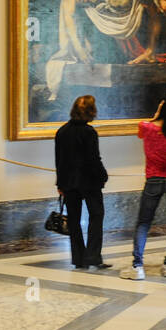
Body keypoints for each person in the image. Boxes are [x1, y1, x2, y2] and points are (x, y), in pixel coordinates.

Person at [122, 92, 166, 280]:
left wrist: (157, 114)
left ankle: (137, 266)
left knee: (144, 222)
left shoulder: (147, 128)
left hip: (154, 179)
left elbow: (143, 129)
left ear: (164, 108)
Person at [54, 95, 109, 270]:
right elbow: (93, 160)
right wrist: (103, 176)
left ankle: (78, 258)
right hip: (89, 183)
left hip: (69, 183)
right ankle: (92, 256)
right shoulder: (89, 132)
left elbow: (59, 161)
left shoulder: (62, 131)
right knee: (96, 215)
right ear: (91, 112)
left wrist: (60, 184)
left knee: (74, 221)